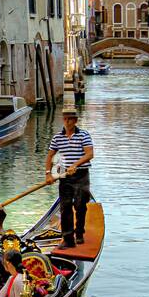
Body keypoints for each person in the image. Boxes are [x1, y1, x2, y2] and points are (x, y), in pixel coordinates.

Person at [45, 103, 95, 248]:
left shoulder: (84, 135)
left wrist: (75, 165)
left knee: (80, 205)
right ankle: (68, 239)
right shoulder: (57, 138)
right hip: (65, 177)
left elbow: (90, 154)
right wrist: (48, 174)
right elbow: (49, 157)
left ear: (75, 120)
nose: (67, 122)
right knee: (65, 207)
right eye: (65, 119)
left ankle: (79, 232)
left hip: (81, 175)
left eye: (70, 119)